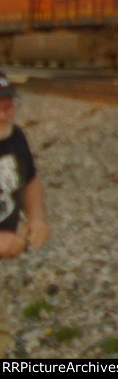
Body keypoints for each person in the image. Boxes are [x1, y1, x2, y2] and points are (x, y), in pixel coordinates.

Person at [0, 71, 50, 356]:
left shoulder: (14, 136)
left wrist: (37, 218)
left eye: (9, 106)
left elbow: (29, 180)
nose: (6, 115)